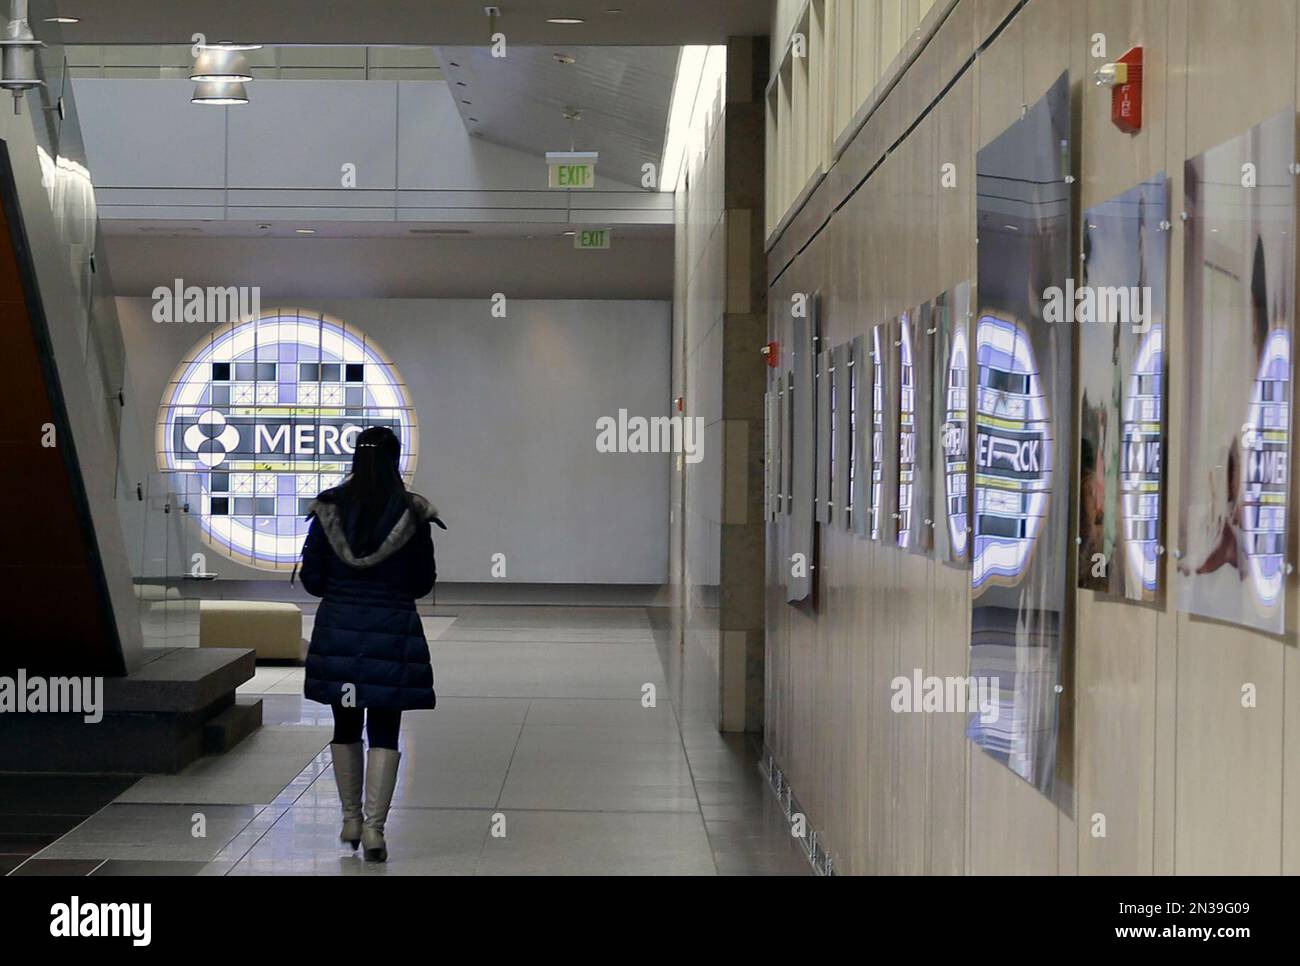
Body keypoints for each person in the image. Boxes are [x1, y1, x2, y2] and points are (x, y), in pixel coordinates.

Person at [298, 426, 442, 862]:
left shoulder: (328, 510)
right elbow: (421, 583)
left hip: (339, 631)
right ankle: (376, 830)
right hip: (392, 631)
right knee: (385, 727)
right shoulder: (412, 514)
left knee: (345, 724)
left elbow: (312, 580)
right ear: (395, 459)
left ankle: (349, 818)